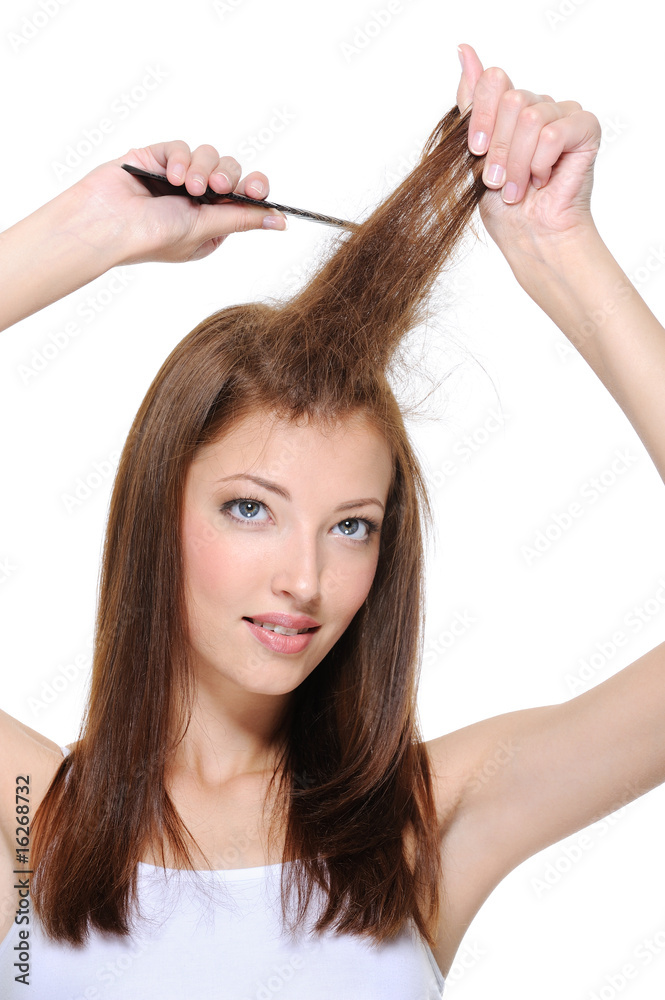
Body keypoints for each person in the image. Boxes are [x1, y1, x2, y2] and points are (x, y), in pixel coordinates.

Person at [1, 42, 664, 998]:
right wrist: (85, 233)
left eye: (351, 526)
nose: (303, 580)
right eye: (249, 509)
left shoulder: (426, 824)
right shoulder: (28, 817)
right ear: (157, 514)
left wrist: (562, 252)